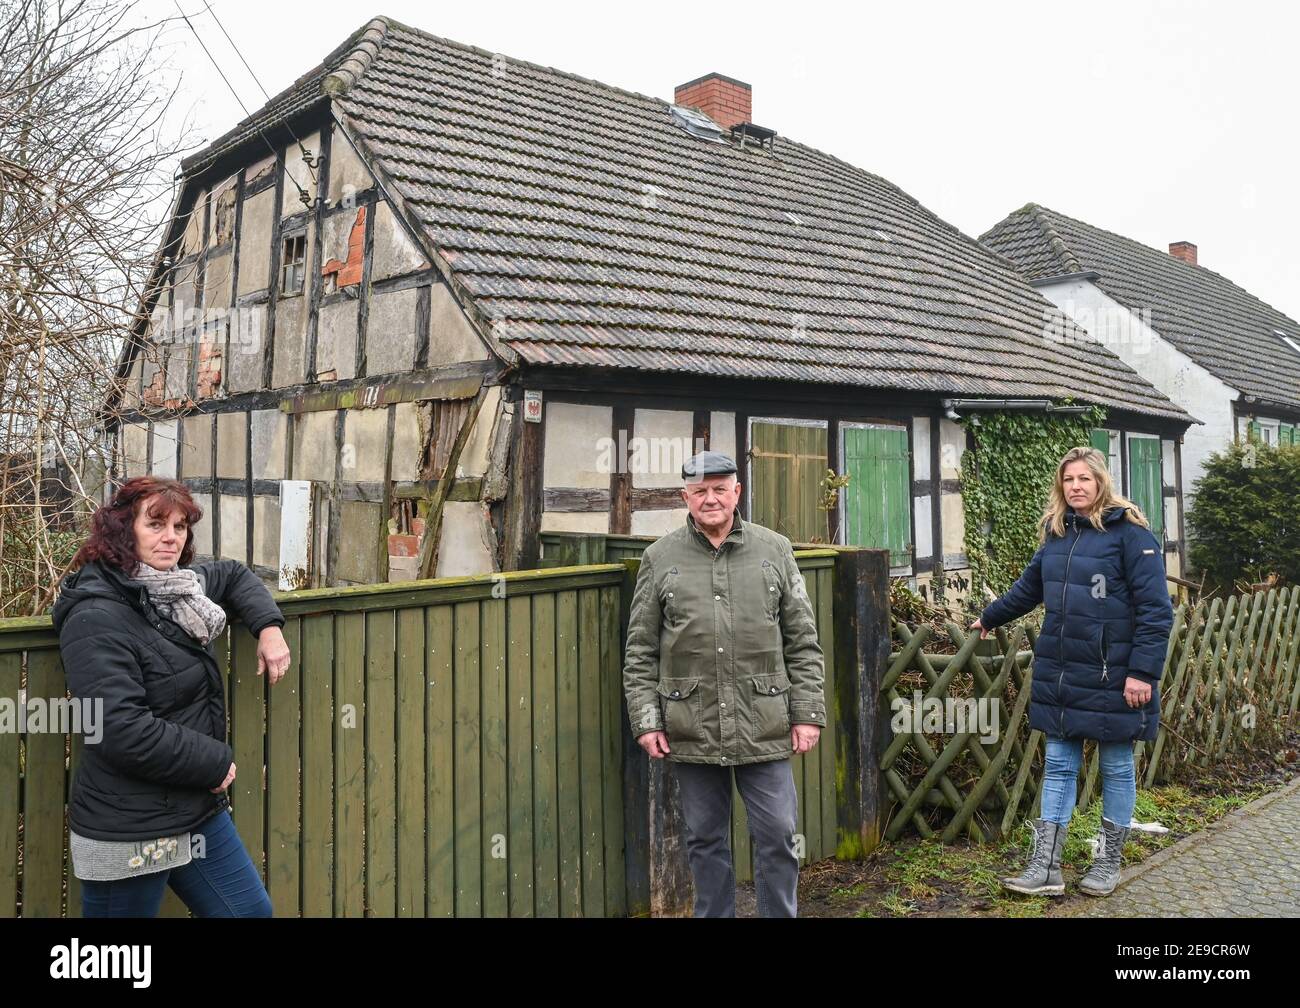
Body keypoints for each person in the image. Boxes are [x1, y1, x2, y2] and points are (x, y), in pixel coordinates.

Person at [51, 476, 291, 917]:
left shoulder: (176, 588)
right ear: (123, 530)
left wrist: (269, 627)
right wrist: (215, 762)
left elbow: (234, 575)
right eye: (156, 523)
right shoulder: (95, 615)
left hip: (192, 810)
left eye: (180, 527)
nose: (170, 538)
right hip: (130, 825)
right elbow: (119, 729)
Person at [623, 450, 826, 917]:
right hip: (691, 724)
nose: (710, 499)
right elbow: (640, 651)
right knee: (704, 839)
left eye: (720, 489)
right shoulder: (659, 558)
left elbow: (803, 640)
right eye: (700, 491)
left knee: (778, 835)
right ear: (686, 497)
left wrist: (807, 714)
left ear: (738, 492)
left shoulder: (775, 550)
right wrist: (647, 721)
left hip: (766, 722)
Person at [970, 446, 1173, 897]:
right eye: (1069, 480)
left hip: (1115, 673)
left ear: (1101, 482)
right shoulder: (1057, 533)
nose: (1076, 486)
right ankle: (1045, 868)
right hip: (1062, 671)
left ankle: (1108, 862)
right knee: (1059, 764)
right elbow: (1028, 589)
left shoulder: (1130, 534)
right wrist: (989, 617)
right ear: (1061, 487)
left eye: (1084, 478)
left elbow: (1157, 611)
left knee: (1117, 765)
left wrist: (1142, 672)